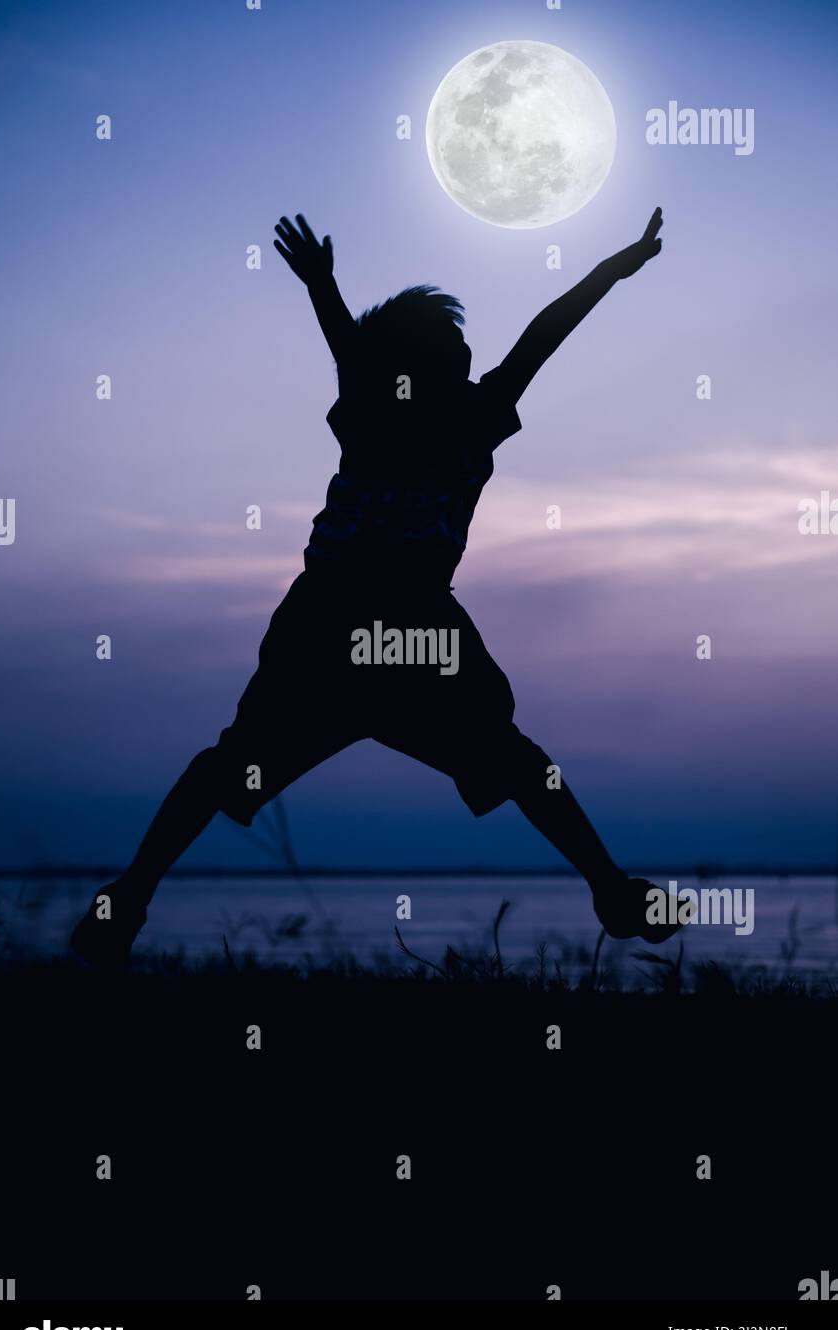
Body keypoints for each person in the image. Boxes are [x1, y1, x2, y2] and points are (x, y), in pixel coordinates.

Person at [72, 209, 676, 967]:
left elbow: (523, 337)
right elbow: (530, 339)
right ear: (414, 367)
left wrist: (610, 271)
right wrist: (608, 273)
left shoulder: (414, 409)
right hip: (379, 625)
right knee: (507, 758)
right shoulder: (437, 411)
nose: (467, 350)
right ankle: (612, 890)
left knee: (235, 764)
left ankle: (130, 894)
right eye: (451, 345)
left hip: (341, 622)